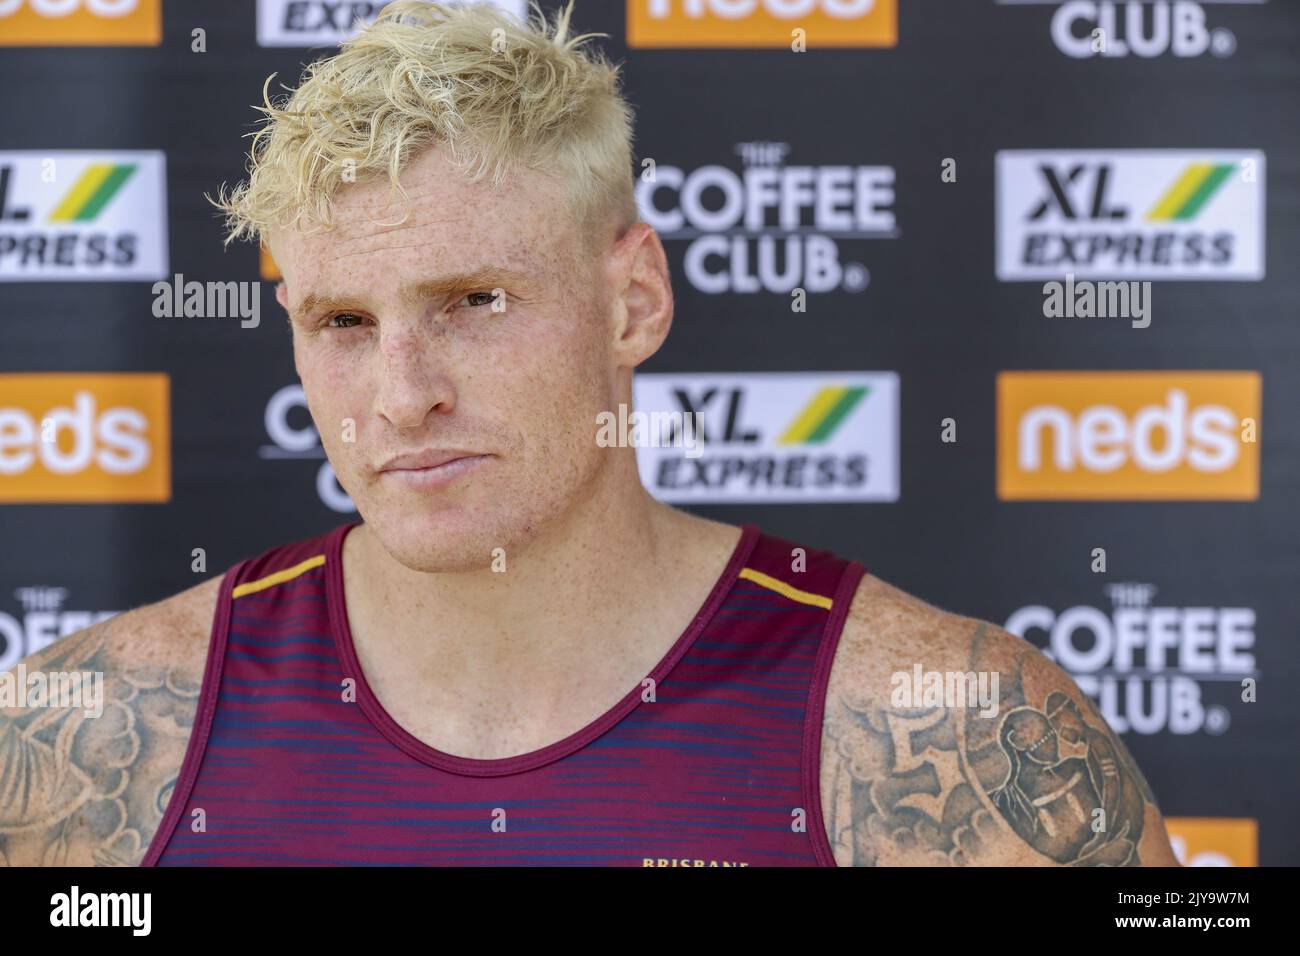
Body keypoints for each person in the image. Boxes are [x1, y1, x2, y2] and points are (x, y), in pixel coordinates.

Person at [0, 0, 1178, 867]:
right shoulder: (88, 739)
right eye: (344, 321)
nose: (403, 395)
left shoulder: (959, 736)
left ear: (634, 301)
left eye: (475, 302)